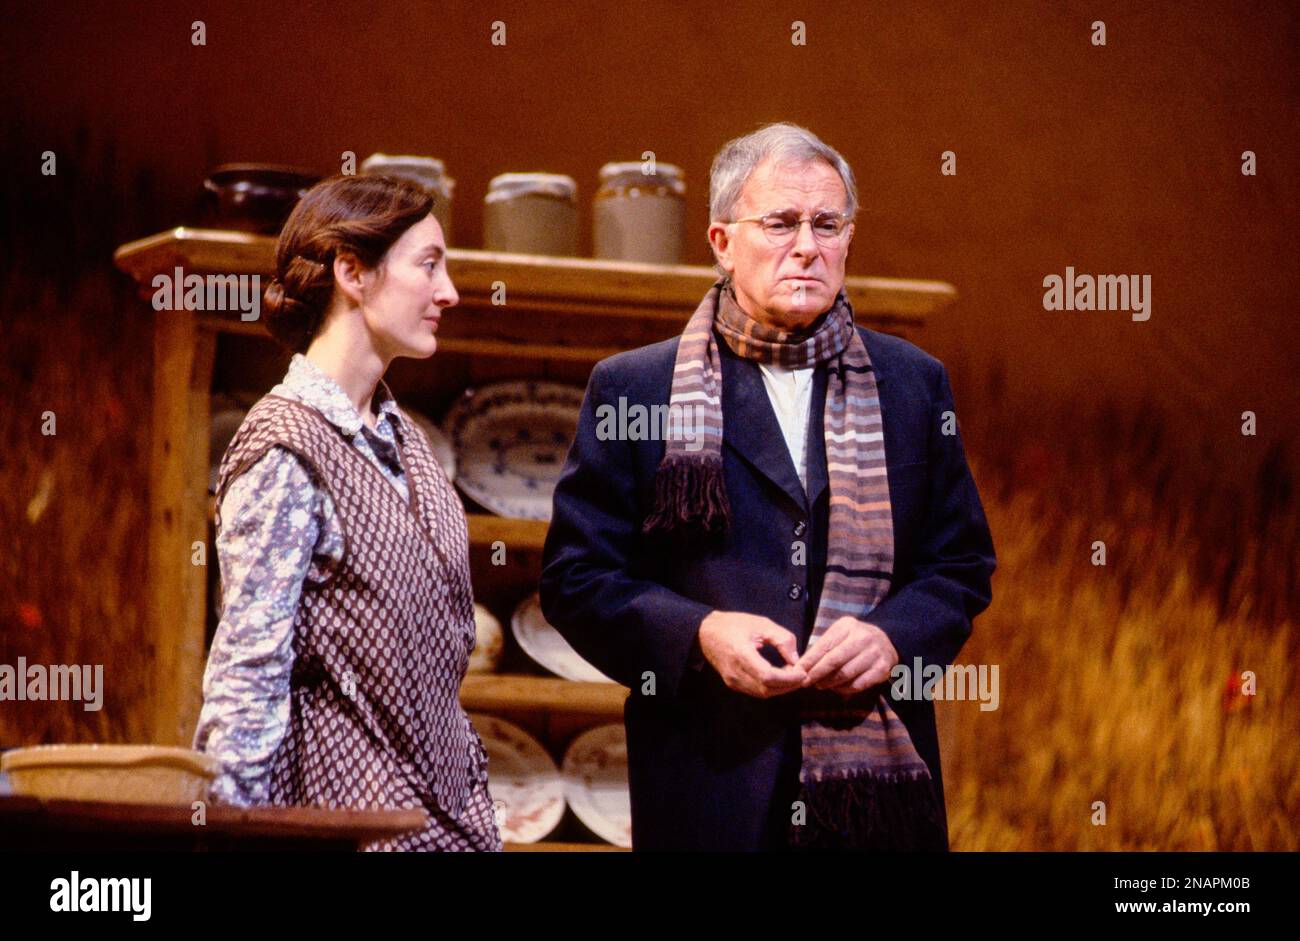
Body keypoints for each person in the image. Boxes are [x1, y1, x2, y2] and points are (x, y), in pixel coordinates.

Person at [539, 123, 996, 850]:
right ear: (721, 241)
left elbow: (960, 565)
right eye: (780, 223)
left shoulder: (913, 383)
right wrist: (699, 633)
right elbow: (576, 577)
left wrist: (893, 636)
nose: (808, 246)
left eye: (828, 223)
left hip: (875, 800)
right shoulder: (636, 387)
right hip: (712, 784)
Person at [193, 174, 501, 852]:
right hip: (344, 824)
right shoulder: (286, 447)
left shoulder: (404, 441)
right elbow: (249, 671)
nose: (448, 291)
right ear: (352, 272)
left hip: (446, 824)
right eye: (429, 265)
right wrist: (224, 833)